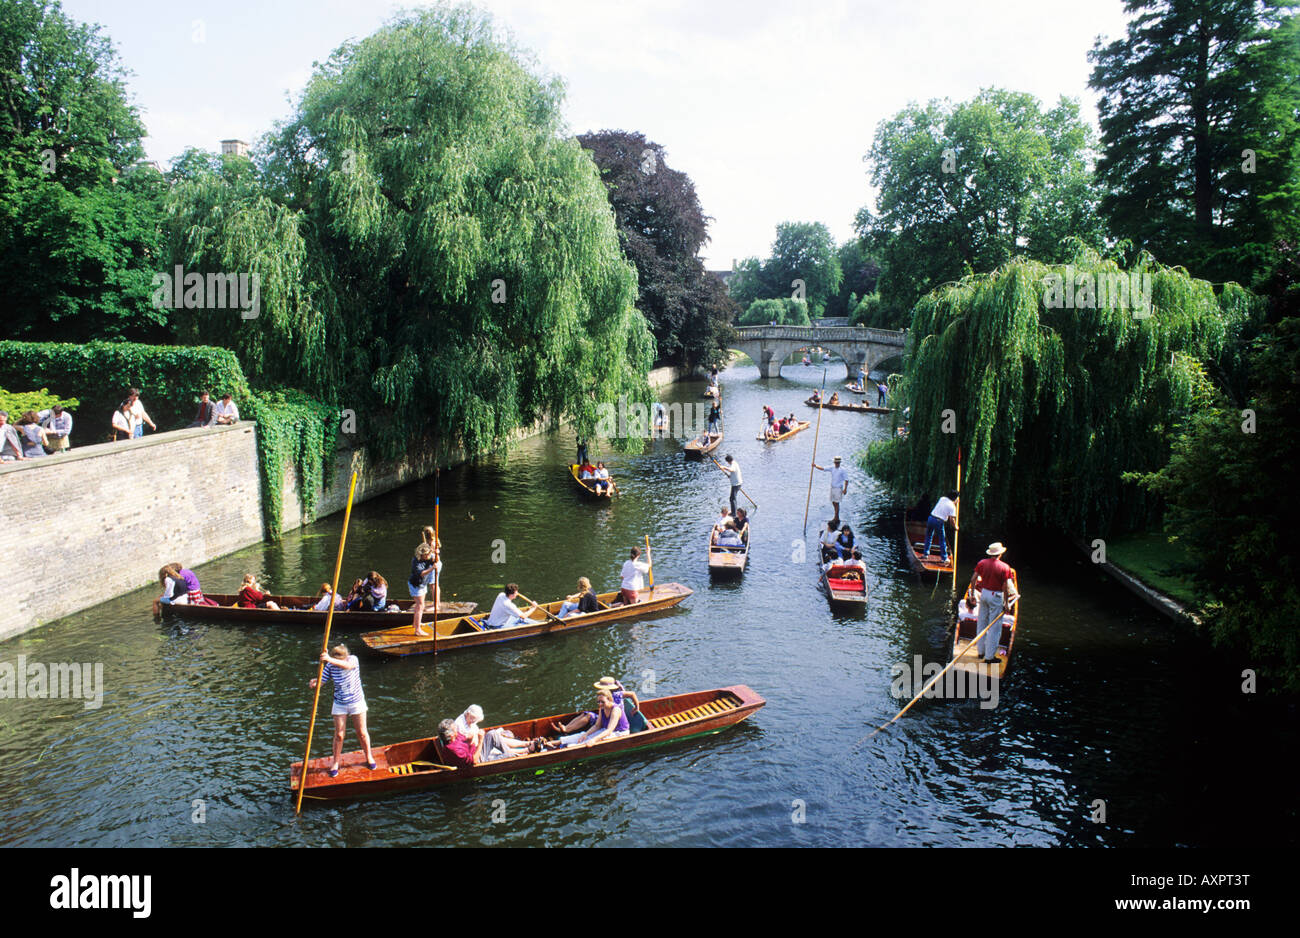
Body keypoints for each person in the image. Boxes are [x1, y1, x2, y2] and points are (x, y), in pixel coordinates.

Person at [309, 643, 376, 777]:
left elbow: (348, 666)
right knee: (339, 735)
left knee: (362, 732)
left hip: (357, 702)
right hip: (340, 703)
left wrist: (328, 658)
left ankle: (369, 756)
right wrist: (314, 684)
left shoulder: (352, 660)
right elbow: (321, 682)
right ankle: (335, 762)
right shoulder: (329, 666)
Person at [967, 542, 1019, 664]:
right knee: (994, 628)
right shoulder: (1005, 567)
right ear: (1000, 554)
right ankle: (989, 657)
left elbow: (973, 579)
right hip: (996, 596)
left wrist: (972, 595)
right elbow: (1005, 587)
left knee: (982, 623)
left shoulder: (982, 563)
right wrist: (1006, 603)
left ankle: (980, 652)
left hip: (984, 594)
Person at [453, 704, 532, 761]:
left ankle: (526, 744)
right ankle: (524, 750)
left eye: (475, 720)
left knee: (494, 734)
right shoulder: (460, 726)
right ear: (468, 714)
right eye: (473, 720)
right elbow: (470, 744)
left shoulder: (468, 718)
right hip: (476, 751)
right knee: (496, 747)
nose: (474, 722)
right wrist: (480, 739)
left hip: (479, 744)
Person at [556, 689, 628, 748]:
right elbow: (597, 726)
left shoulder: (615, 710)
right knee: (584, 735)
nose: (600, 704)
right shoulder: (602, 708)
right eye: (598, 702)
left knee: (592, 740)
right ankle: (560, 742)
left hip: (619, 733)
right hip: (607, 730)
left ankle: (571, 747)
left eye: (602, 702)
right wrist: (586, 734)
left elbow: (609, 730)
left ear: (609, 700)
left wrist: (594, 740)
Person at [408, 543, 440, 636]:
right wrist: (432, 568)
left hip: (422, 585)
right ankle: (417, 630)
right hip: (416, 585)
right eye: (427, 555)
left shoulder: (428, 557)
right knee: (420, 606)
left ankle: (415, 624)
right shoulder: (416, 562)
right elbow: (421, 573)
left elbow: (434, 559)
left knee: (421, 605)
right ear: (422, 555)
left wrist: (437, 553)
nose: (429, 556)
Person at [922, 491, 959, 565]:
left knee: (929, 536)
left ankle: (925, 554)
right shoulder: (952, 507)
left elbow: (945, 506)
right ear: (955, 498)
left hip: (931, 518)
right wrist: (955, 527)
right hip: (939, 522)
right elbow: (951, 520)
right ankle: (944, 558)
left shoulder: (942, 498)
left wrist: (954, 503)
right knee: (942, 540)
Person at [812, 456, 849, 524]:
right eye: (835, 462)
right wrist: (815, 466)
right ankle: (836, 517)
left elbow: (846, 480)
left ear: (839, 463)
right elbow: (823, 468)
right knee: (833, 502)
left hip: (838, 488)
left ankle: (836, 518)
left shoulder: (843, 470)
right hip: (833, 487)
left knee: (836, 503)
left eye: (838, 462)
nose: (836, 464)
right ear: (834, 462)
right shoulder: (832, 468)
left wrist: (845, 489)